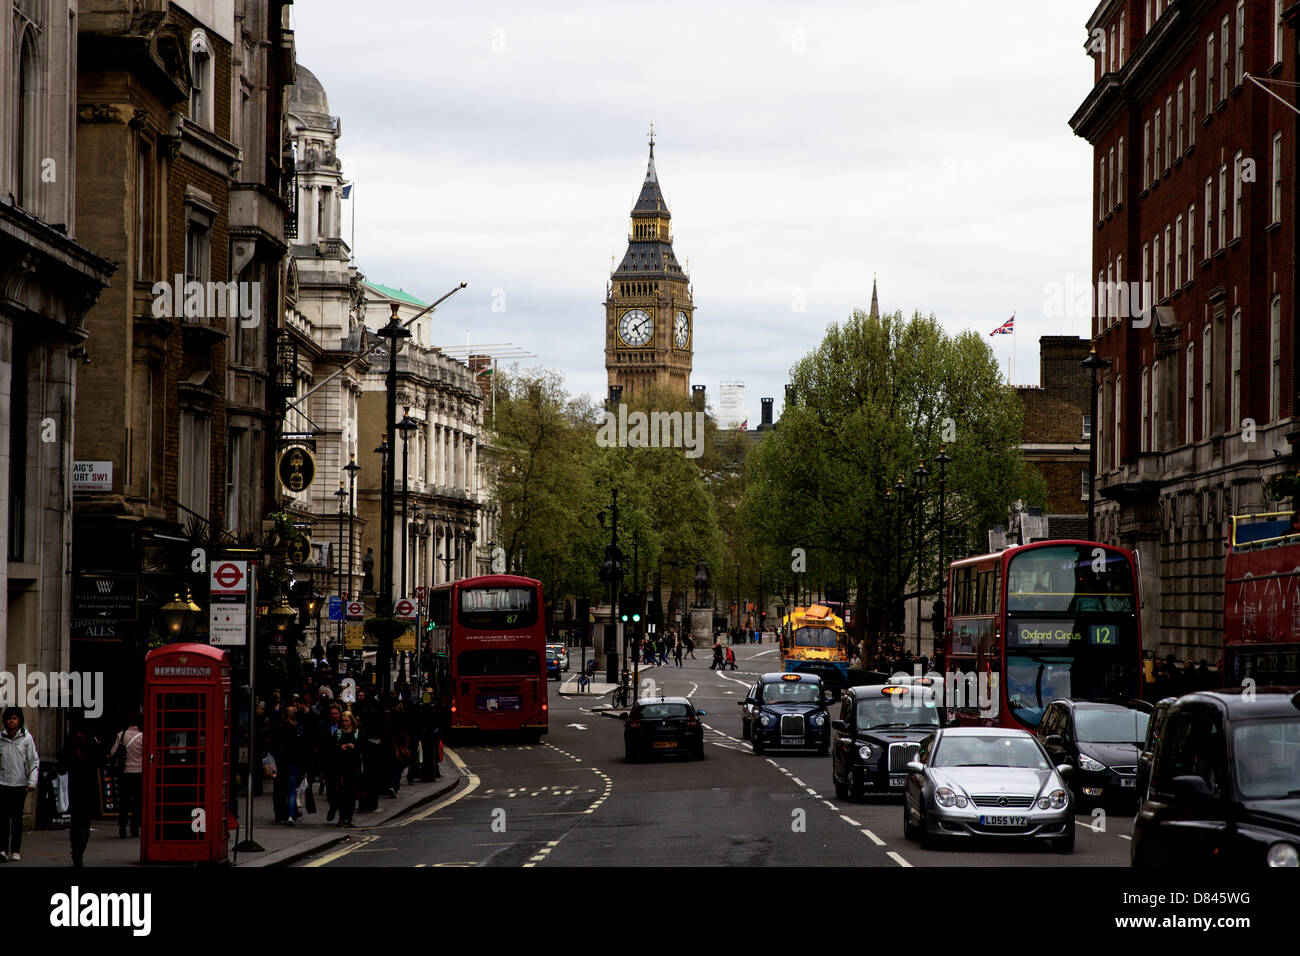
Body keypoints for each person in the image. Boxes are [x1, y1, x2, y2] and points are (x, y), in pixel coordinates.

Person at [58, 730, 101, 867]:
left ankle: (75, 849)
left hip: (74, 787)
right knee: (85, 824)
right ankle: (79, 852)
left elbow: (61, 767)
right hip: (89, 787)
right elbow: (101, 762)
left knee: (76, 822)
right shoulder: (93, 743)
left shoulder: (70, 744)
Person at [0, 707, 38, 861]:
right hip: (3, 783)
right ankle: (2, 849)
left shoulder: (26, 739)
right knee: (2, 818)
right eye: (9, 718)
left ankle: (15, 850)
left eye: (15, 718)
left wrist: (32, 782)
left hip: (20, 784)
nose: (12, 721)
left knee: (16, 819)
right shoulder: (1, 738)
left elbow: (33, 761)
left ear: (20, 720)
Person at [108, 714, 144, 838]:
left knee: (123, 802)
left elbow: (113, 752)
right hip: (139, 773)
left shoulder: (121, 735)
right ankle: (135, 828)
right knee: (137, 802)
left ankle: (122, 828)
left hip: (124, 773)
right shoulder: (142, 737)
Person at [271, 705, 306, 824]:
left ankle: (280, 814)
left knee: (280, 790)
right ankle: (291, 815)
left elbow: (274, 746)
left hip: (282, 763)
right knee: (291, 791)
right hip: (294, 763)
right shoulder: (298, 729)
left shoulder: (279, 727)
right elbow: (302, 748)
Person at [331, 712, 363, 827]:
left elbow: (363, 748)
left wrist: (354, 747)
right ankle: (341, 818)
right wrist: (340, 747)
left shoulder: (357, 733)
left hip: (353, 768)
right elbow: (331, 748)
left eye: (347, 721)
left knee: (352, 795)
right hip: (341, 768)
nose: (345, 723)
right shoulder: (337, 733)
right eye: (343, 721)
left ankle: (349, 819)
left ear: (351, 722)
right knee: (341, 794)